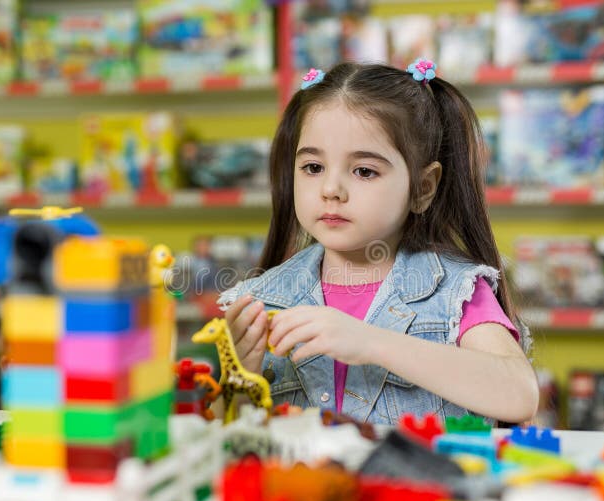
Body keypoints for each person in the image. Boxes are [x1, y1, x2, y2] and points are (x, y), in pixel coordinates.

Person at [217, 60, 538, 425]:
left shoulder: (455, 292)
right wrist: (239, 377)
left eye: (364, 171)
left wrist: (371, 342)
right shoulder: (261, 297)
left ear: (423, 188)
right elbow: (223, 432)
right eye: (313, 168)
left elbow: (520, 395)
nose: (331, 190)